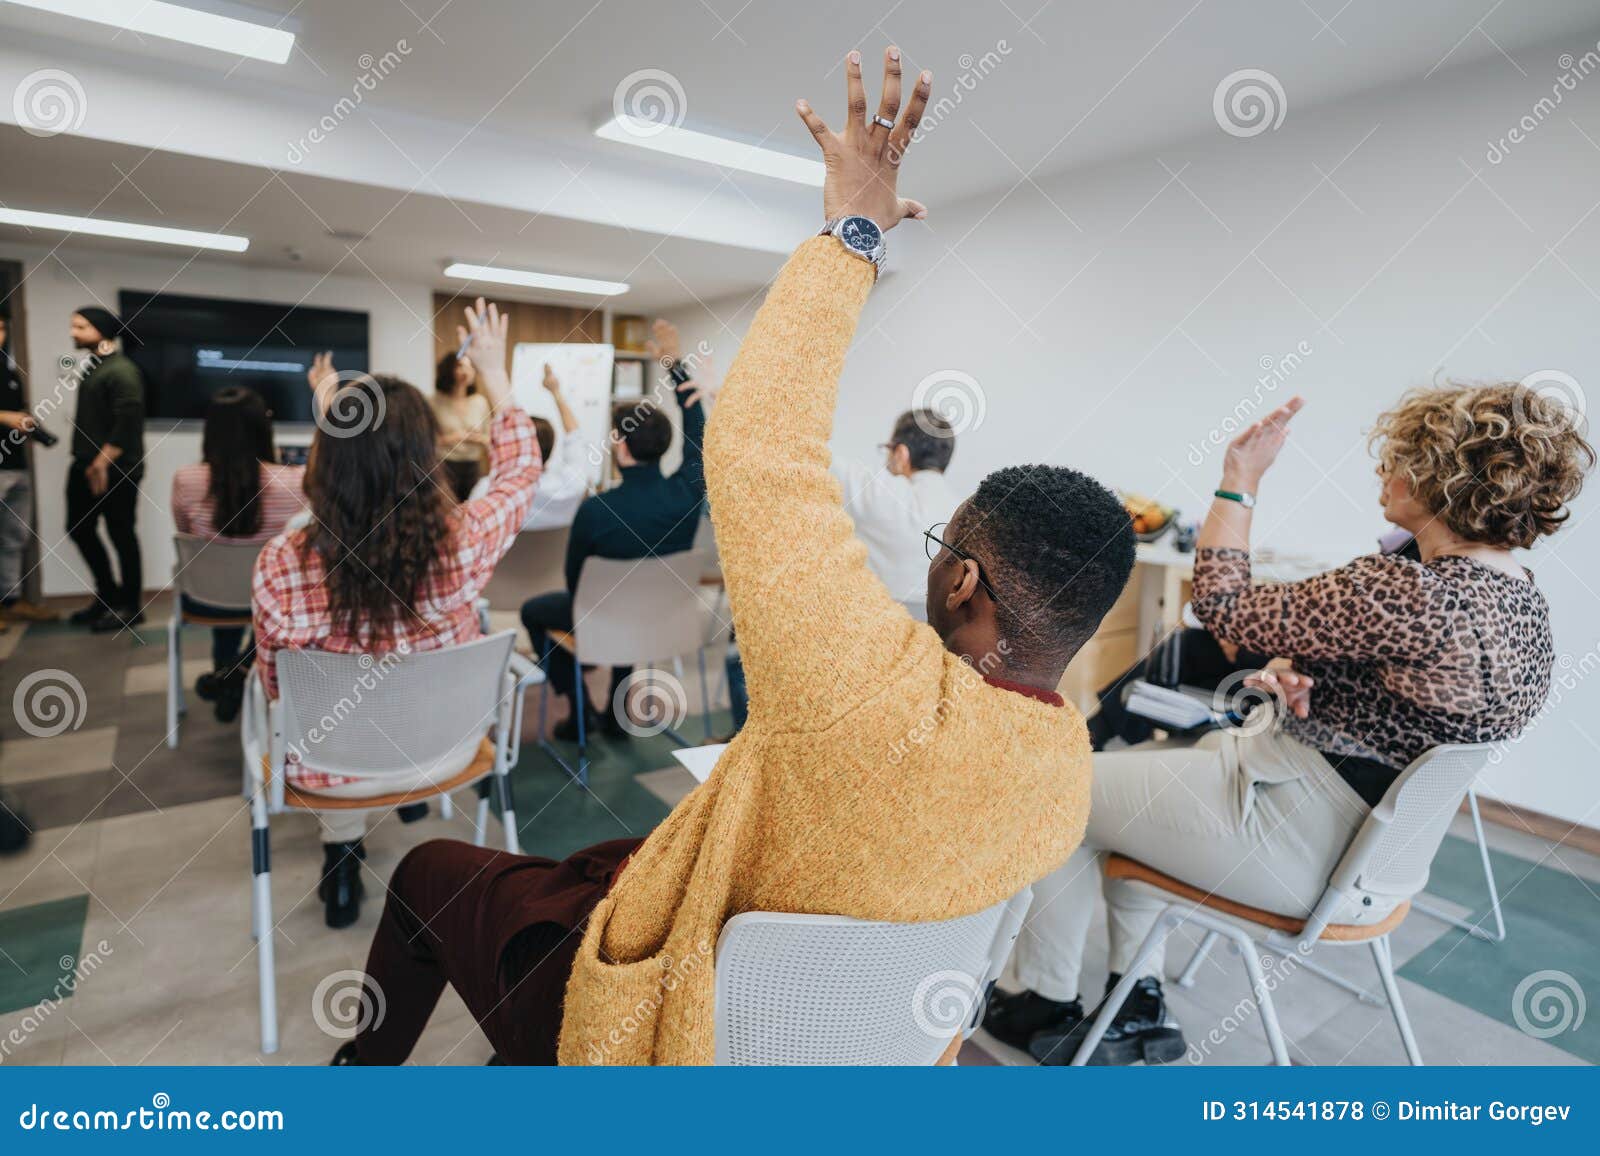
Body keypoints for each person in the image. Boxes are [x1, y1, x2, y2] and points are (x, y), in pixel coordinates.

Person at [334, 48, 1134, 1067]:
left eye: (947, 549)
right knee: (593, 861)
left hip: (674, 1031)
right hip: (842, 1054)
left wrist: (854, 235)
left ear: (963, 580)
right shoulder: (1066, 775)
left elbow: (756, 443)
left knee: (429, 878)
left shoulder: (857, 683)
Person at [988, 385, 1593, 1066]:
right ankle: (1135, 1008)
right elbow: (1417, 708)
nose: (1382, 474)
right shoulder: (1523, 606)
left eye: (1398, 459)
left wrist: (1239, 479)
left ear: (1438, 480)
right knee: (1144, 780)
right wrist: (1316, 677)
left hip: (1294, 838)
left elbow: (1220, 605)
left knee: (1060, 788)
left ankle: (1039, 998)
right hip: (1371, 859)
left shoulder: (1410, 588)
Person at [252, 303, 540, 928]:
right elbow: (520, 472)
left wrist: (334, 408)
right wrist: (495, 373)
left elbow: (280, 688)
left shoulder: (282, 562)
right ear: (428, 454)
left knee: (330, 718)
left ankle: (342, 866)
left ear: (325, 455)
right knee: (377, 705)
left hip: (330, 769)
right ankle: (395, 824)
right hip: (449, 749)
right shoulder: (465, 541)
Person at [519, 319, 706, 740]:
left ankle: (580, 707)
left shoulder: (596, 511)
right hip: (662, 616)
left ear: (620, 447)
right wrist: (676, 366)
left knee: (536, 611)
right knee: (628, 595)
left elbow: (575, 584)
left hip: (605, 618)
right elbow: (699, 431)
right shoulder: (687, 494)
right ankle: (619, 710)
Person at [170, 387, 306, 722]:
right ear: (263, 428)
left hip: (206, 598)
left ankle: (228, 676)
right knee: (265, 591)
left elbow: (186, 529)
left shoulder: (186, 480)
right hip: (274, 604)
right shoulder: (295, 481)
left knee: (228, 591)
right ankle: (239, 674)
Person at [64, 306, 147, 632]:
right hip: (86, 464)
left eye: (81, 326)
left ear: (101, 330)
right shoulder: (95, 367)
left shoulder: (122, 371)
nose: (74, 332)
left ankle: (130, 605)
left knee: (121, 533)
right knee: (79, 528)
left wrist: (102, 462)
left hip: (116, 469)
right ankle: (108, 595)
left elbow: (128, 419)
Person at [832, 408, 960, 604]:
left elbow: (816, 455)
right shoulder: (961, 511)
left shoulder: (879, 491)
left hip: (874, 618)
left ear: (900, 454)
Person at [0, 308, 57, 628]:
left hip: (17, 466)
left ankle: (10, 600)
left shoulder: (9, 372)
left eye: (1, 328)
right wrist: (5, 417)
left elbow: (17, 411)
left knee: (14, 536)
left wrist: (27, 423)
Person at [523, 362, 590, 531]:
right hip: (560, 558)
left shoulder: (492, 490)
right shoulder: (572, 485)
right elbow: (574, 436)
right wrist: (555, 391)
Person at [431, 351, 493, 501]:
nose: (466, 371)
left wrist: (477, 438)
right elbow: (427, 441)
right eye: (460, 366)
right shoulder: (433, 401)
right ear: (449, 370)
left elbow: (490, 439)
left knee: (471, 509)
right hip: (444, 466)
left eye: (470, 367)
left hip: (473, 467)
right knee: (446, 511)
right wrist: (453, 438)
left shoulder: (480, 402)